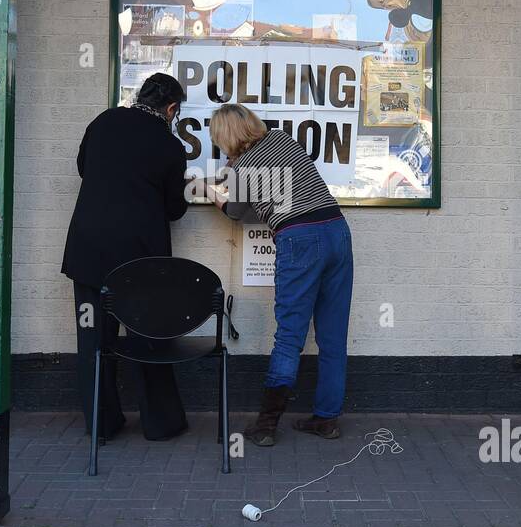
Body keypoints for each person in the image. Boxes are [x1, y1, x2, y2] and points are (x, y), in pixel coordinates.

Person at [206, 103, 354, 445]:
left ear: (225, 137)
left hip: (300, 239)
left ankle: (267, 426)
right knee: (332, 336)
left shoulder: (242, 169)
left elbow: (236, 211)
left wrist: (212, 192)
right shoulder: (283, 138)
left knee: (289, 335)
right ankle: (327, 420)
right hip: (337, 230)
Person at [61, 73, 190, 442]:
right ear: (171, 108)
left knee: (93, 341)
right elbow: (174, 208)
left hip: (88, 250)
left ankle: (101, 425)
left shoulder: (103, 121)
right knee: (147, 337)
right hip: (139, 258)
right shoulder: (169, 145)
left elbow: (84, 168)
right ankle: (160, 423)